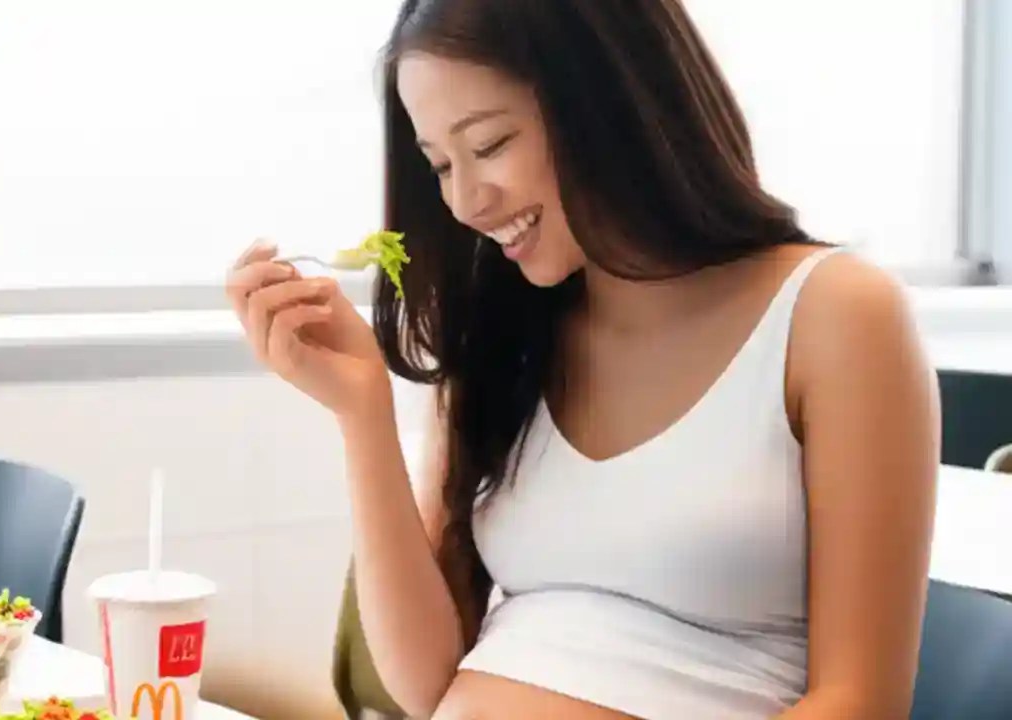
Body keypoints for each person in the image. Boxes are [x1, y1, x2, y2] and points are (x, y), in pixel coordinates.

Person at [226, 0, 939, 717]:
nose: (466, 201)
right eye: (440, 164)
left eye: (490, 144)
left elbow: (862, 701)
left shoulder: (838, 315)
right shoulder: (503, 339)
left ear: (612, 97)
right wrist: (362, 414)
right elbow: (426, 684)